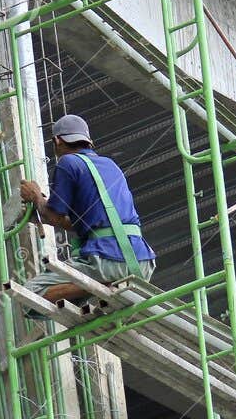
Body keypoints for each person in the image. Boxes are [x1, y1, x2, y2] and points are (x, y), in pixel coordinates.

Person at [17, 114, 156, 310]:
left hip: (107, 261)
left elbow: (54, 216)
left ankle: (101, 285)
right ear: (89, 142)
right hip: (142, 263)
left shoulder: (67, 163)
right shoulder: (111, 165)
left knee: (30, 296)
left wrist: (36, 197)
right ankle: (103, 284)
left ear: (57, 141)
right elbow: (82, 223)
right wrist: (45, 211)